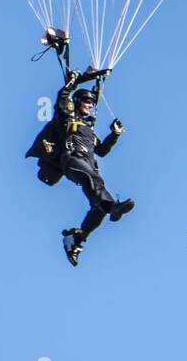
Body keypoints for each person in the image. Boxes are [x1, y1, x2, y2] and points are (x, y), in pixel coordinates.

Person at [54, 69, 134, 266]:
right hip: (72, 161)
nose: (89, 106)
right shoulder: (68, 118)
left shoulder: (88, 130)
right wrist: (72, 82)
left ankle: (77, 240)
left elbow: (102, 150)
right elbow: (62, 98)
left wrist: (114, 135)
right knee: (94, 180)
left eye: (91, 103)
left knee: (98, 208)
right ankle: (112, 206)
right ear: (78, 103)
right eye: (86, 102)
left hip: (87, 164)